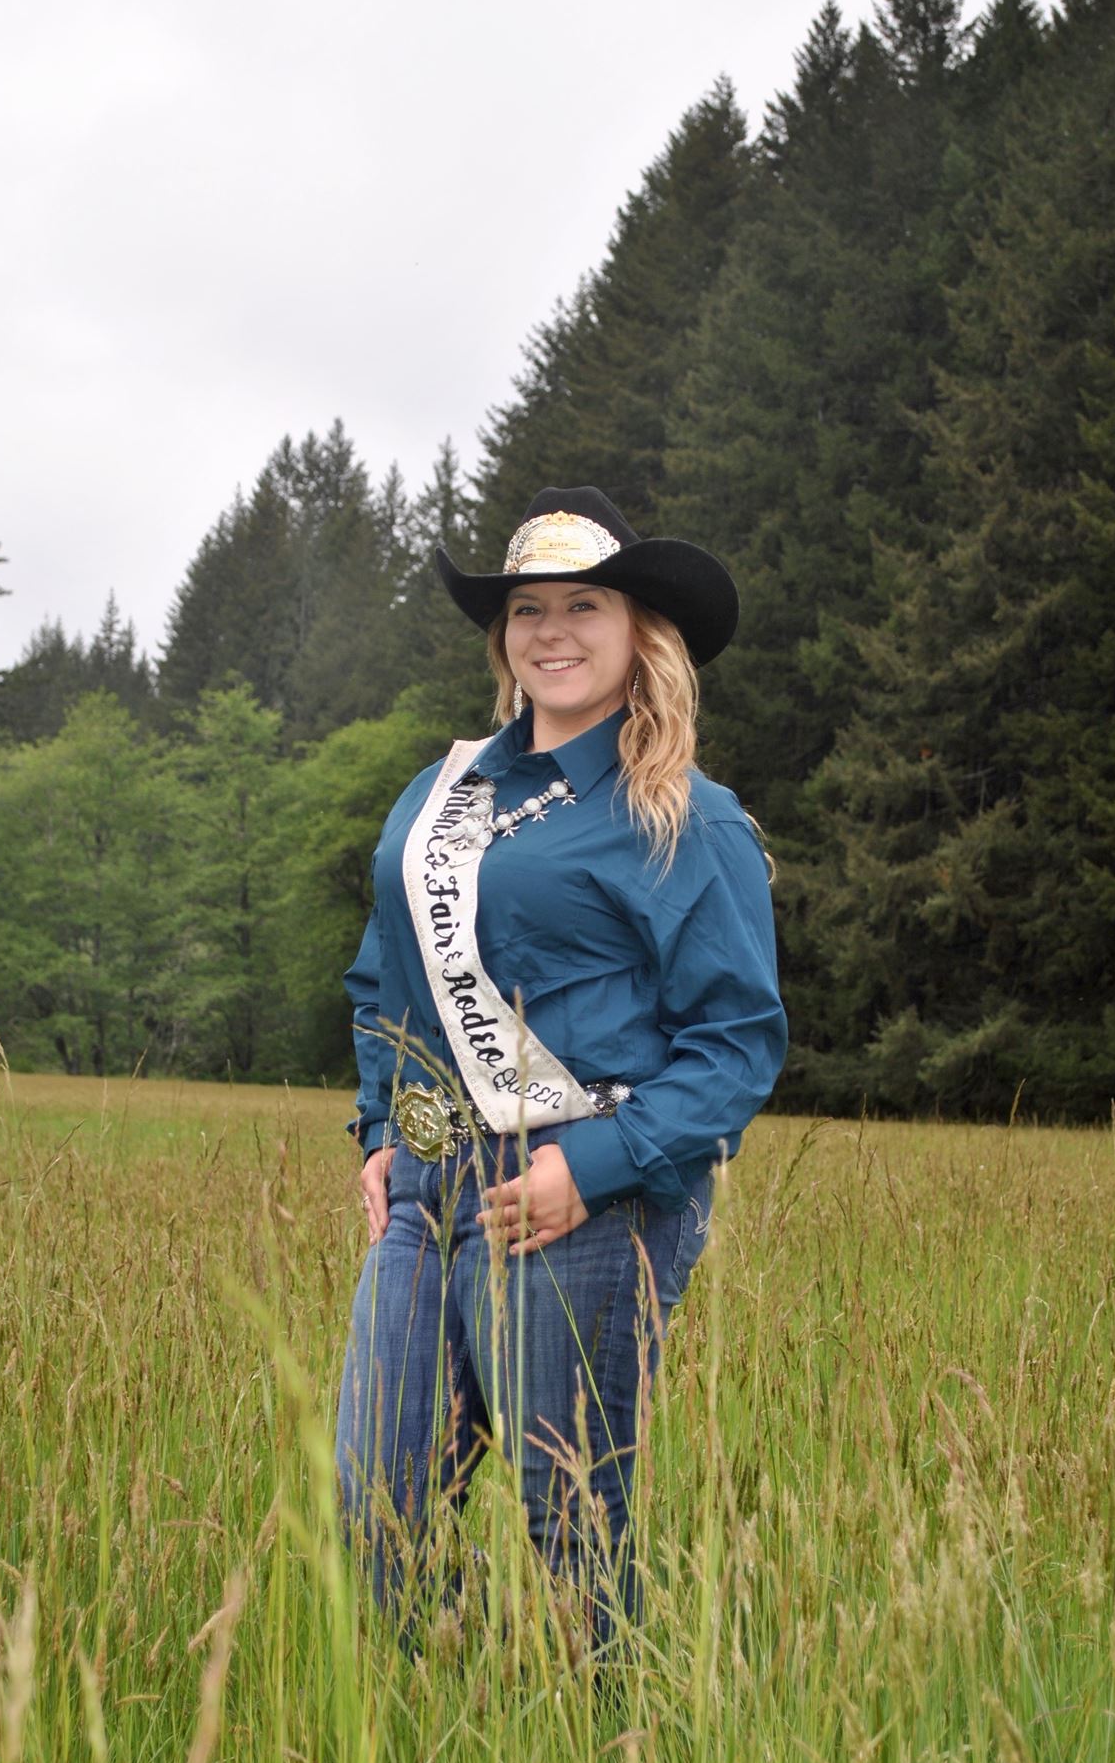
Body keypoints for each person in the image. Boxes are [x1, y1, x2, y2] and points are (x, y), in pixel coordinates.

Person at [334, 486, 786, 1633]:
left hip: (590, 1191)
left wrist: (591, 1168)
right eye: (527, 608)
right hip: (431, 1187)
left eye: (584, 604)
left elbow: (736, 1044)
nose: (551, 630)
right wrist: (385, 1128)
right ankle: (428, 1747)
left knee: (568, 1513)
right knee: (375, 1499)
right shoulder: (438, 797)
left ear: (641, 631)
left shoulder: (683, 815)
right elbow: (383, 978)